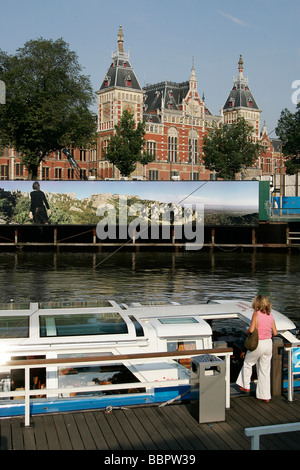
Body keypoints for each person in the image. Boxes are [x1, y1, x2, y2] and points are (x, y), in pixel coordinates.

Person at [236, 294, 277, 402]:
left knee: (248, 363)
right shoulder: (270, 315)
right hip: (268, 344)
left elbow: (251, 330)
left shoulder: (256, 314)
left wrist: (246, 331)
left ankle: (245, 385)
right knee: (265, 370)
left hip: (258, 343)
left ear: (256, 303)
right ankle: (265, 396)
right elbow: (275, 332)